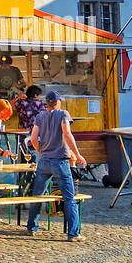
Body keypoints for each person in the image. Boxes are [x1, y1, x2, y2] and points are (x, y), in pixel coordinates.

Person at [25, 91, 87, 242]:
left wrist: (41, 152)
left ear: (47, 103)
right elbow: (67, 133)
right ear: (58, 102)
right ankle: (73, 233)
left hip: (44, 161)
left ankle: (31, 227)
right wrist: (77, 154)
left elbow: (33, 139)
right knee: (69, 198)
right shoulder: (63, 114)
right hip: (60, 161)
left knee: (37, 196)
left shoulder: (40, 116)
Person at [13, 84, 46, 162]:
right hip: (37, 135)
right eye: (39, 95)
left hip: (23, 135)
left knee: (24, 155)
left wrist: (19, 97)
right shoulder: (40, 104)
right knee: (35, 157)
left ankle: (24, 172)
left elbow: (12, 105)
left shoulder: (21, 103)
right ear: (35, 95)